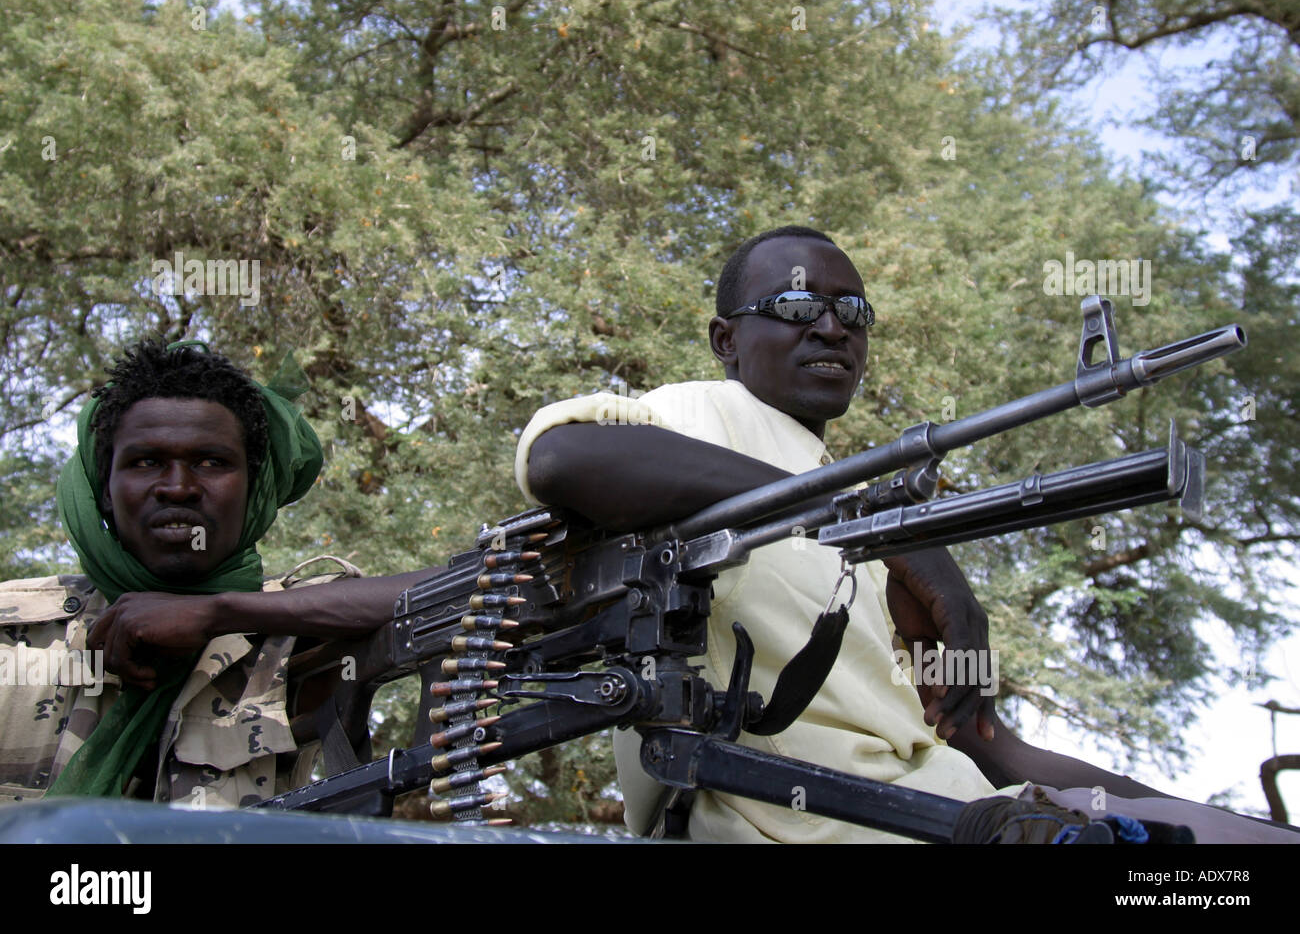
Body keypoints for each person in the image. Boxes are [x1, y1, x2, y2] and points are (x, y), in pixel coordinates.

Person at [515, 225, 1299, 843]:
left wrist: (1230, 828)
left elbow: (988, 748)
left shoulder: (855, 514)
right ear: (726, 341)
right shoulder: (699, 416)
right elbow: (565, 456)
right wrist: (871, 525)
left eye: (852, 312)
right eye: (795, 307)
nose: (831, 328)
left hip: (955, 810)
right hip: (816, 824)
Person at [0, 340, 431, 807]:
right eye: (146, 462)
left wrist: (216, 612)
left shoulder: (292, 629)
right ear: (104, 490)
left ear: (254, 492)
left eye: (212, 462)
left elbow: (490, 585)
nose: (178, 487)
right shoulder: (15, 629)